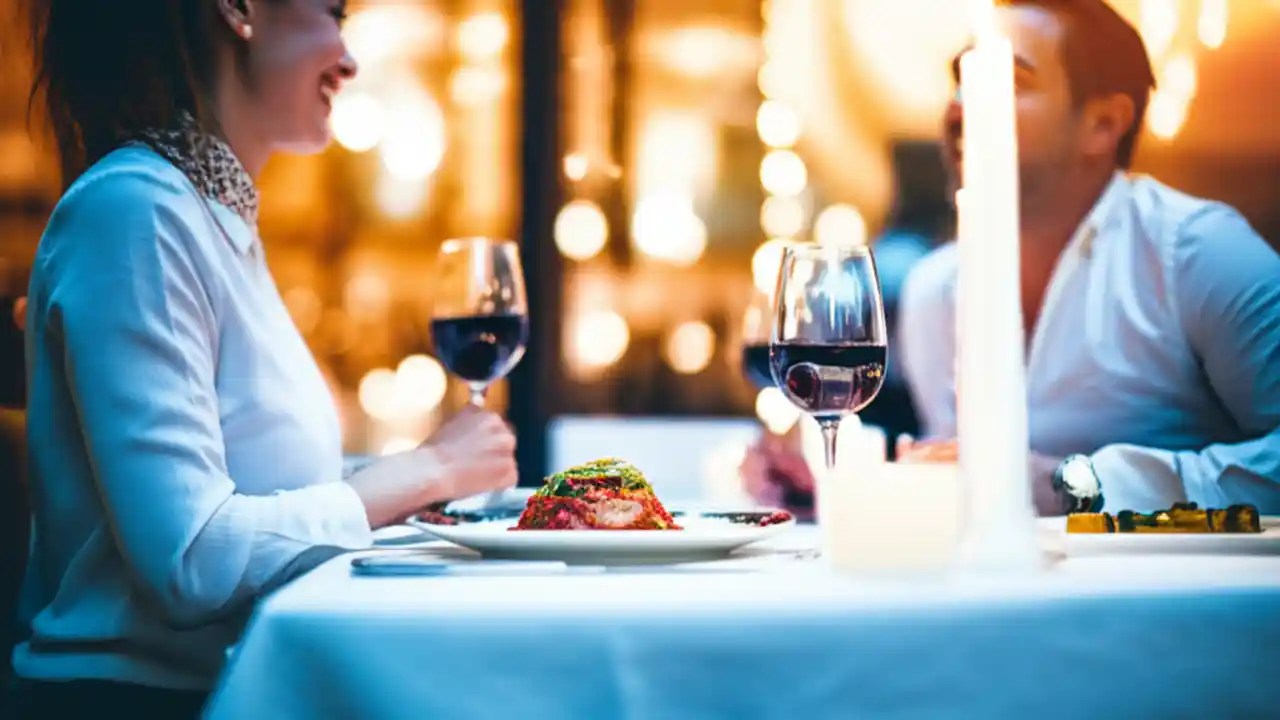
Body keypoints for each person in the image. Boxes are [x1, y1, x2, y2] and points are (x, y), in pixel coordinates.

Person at [9, 1, 517, 716]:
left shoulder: (212, 220)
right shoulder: (135, 212)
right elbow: (191, 560)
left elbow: (272, 499)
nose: (348, 59)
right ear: (240, 8)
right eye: (333, 13)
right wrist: (430, 468)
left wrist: (417, 485)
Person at [744, 0, 1280, 517]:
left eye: (1005, 80)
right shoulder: (935, 292)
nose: (961, 105)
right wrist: (836, 491)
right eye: (961, 78)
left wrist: (1075, 486)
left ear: (1103, 124)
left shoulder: (1200, 254)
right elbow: (965, 496)